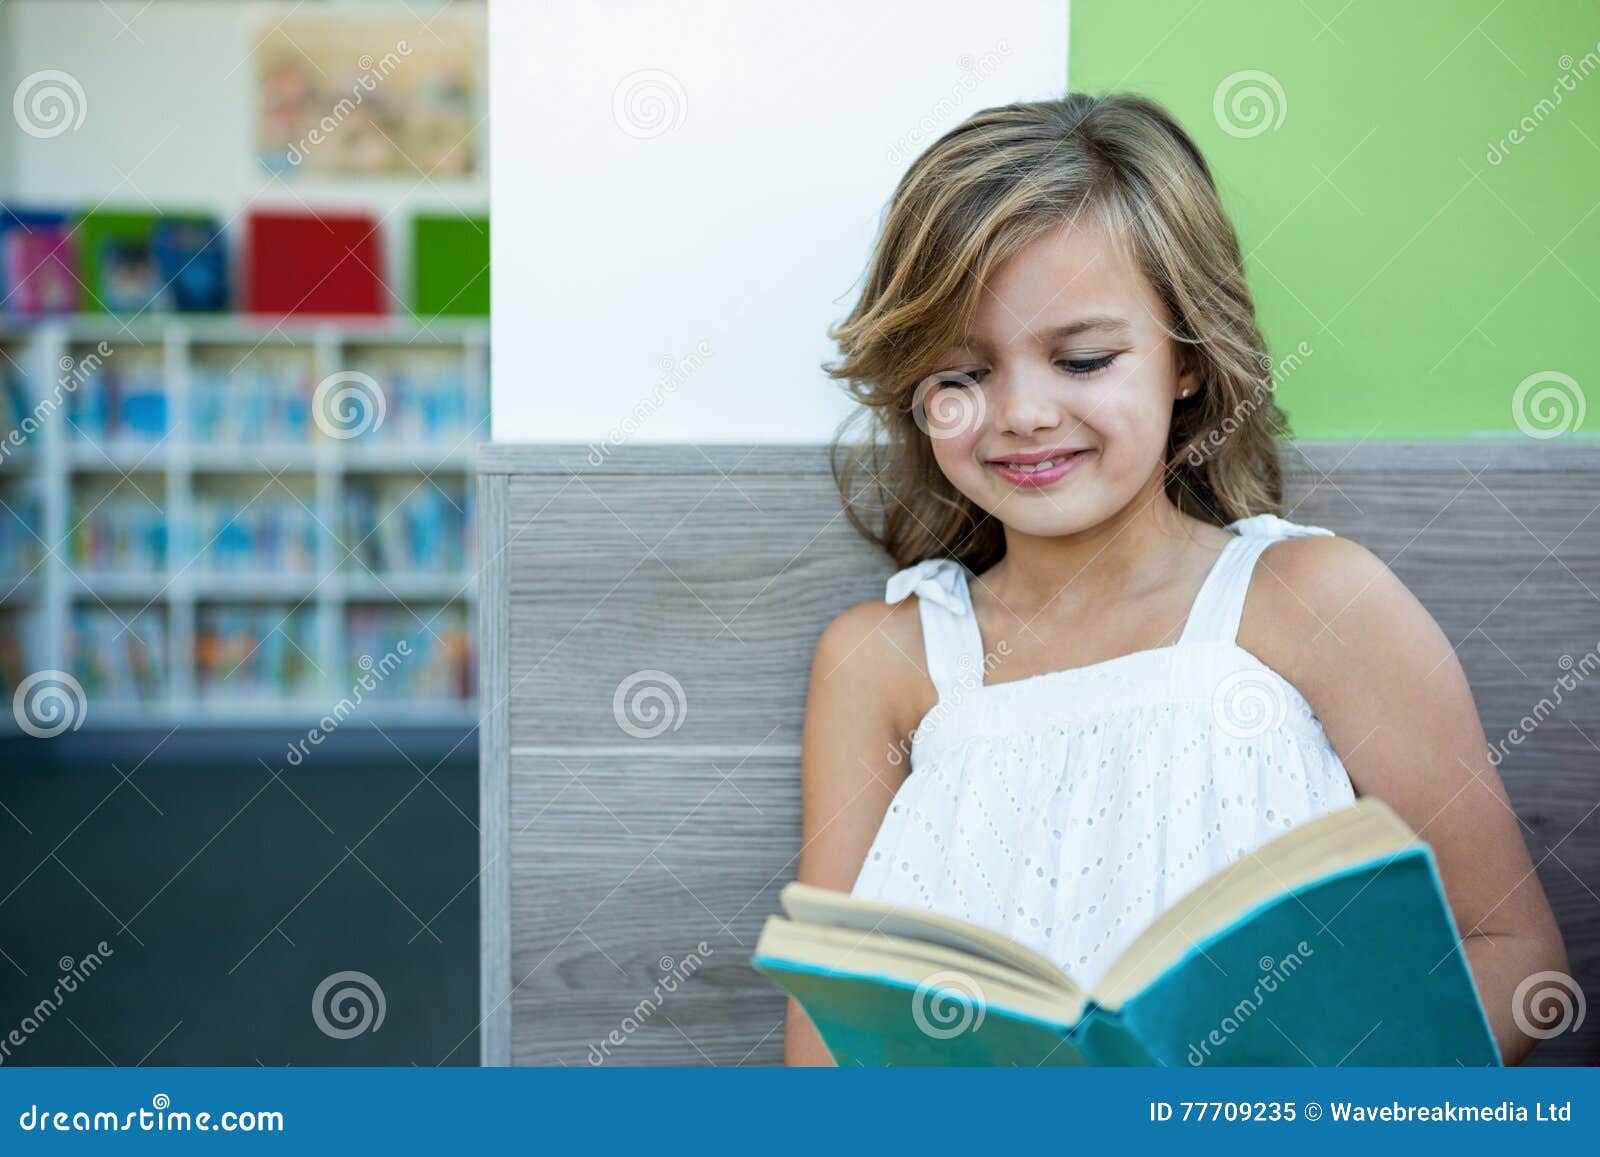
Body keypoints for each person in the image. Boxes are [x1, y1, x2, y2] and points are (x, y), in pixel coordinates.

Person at [786, 91, 1568, 1066]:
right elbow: (826, 1028)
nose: (1022, 412)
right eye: (963, 372)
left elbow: (1519, 960)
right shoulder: (879, 659)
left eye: (1081, 358)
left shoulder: (1314, 601)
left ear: (1186, 360)